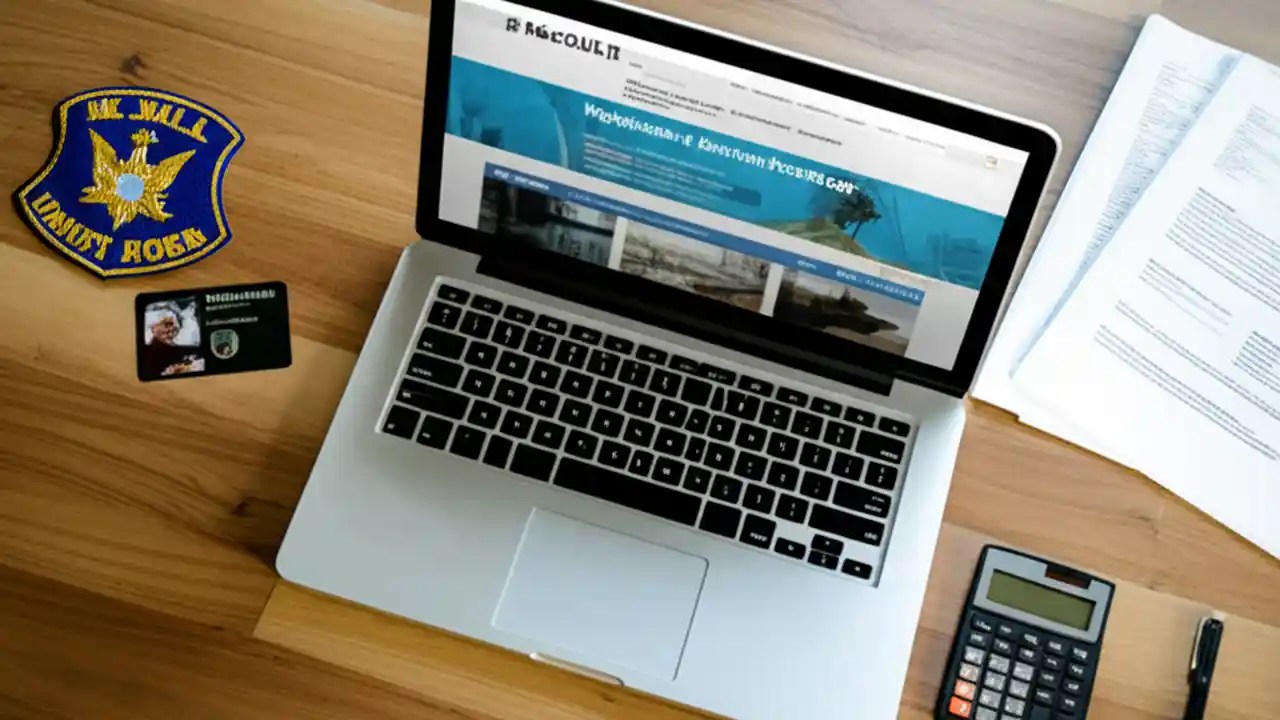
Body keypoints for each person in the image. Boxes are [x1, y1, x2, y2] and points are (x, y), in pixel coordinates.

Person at [140, 305, 203, 377]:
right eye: (167, 325)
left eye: (175, 323)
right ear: (153, 328)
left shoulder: (188, 349)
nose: (172, 329)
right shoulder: (144, 358)